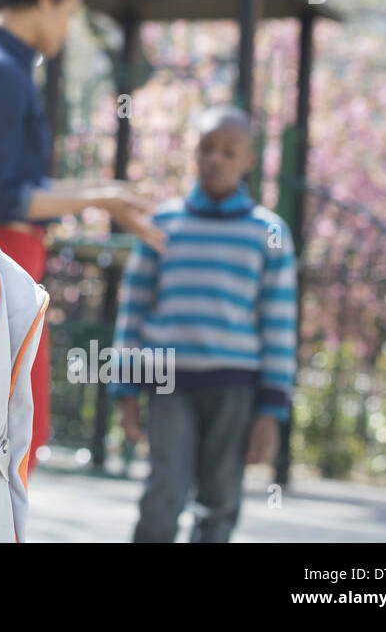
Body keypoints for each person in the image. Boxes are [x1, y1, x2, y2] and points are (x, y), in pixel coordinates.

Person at [0, 0, 166, 474]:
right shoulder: (1, 71)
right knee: (16, 431)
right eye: (67, 13)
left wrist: (105, 191)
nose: (67, 28)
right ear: (45, 0)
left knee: (10, 428)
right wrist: (100, 196)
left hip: (5, 259)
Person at [111, 104, 298, 542]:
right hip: (169, 382)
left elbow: (279, 324)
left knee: (220, 498)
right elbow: (133, 307)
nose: (216, 159)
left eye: (229, 152)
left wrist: (272, 408)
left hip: (235, 388)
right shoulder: (163, 223)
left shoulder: (268, 233)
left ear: (249, 161)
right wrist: (125, 387)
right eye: (207, 149)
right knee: (164, 491)